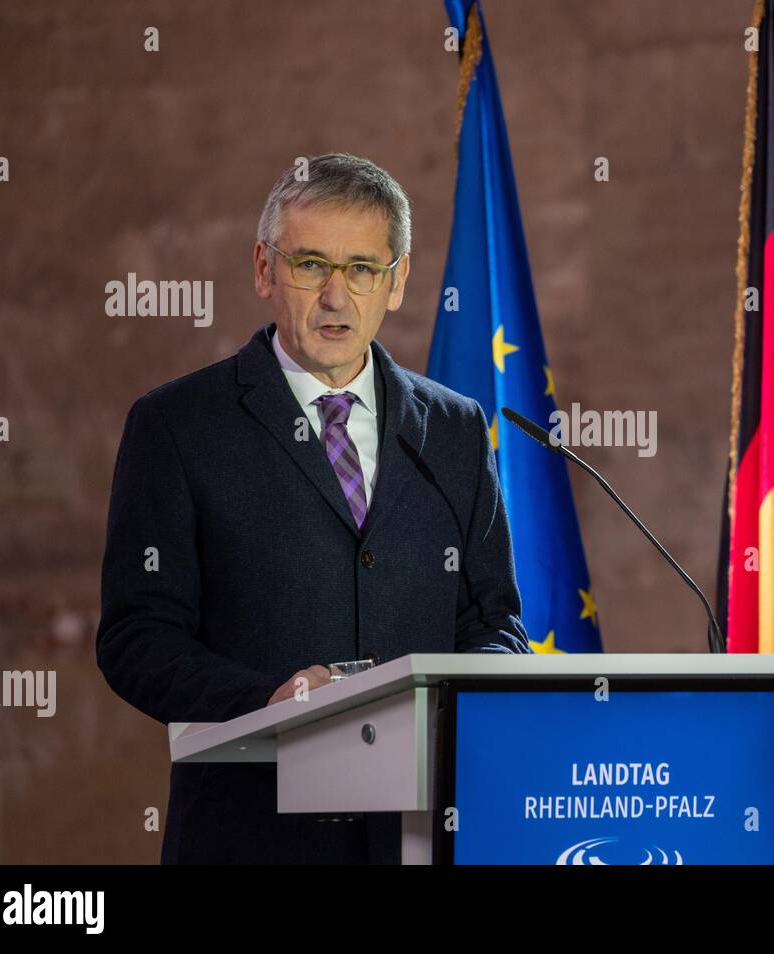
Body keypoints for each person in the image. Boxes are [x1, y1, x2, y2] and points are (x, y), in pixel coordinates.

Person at [96, 153, 530, 863]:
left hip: (425, 836)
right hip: (250, 839)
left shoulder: (453, 430)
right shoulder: (177, 426)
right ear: (264, 269)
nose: (337, 295)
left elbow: (496, 623)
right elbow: (136, 638)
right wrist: (271, 698)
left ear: (398, 282)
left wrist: (444, 701)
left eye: (363, 268)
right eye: (311, 266)